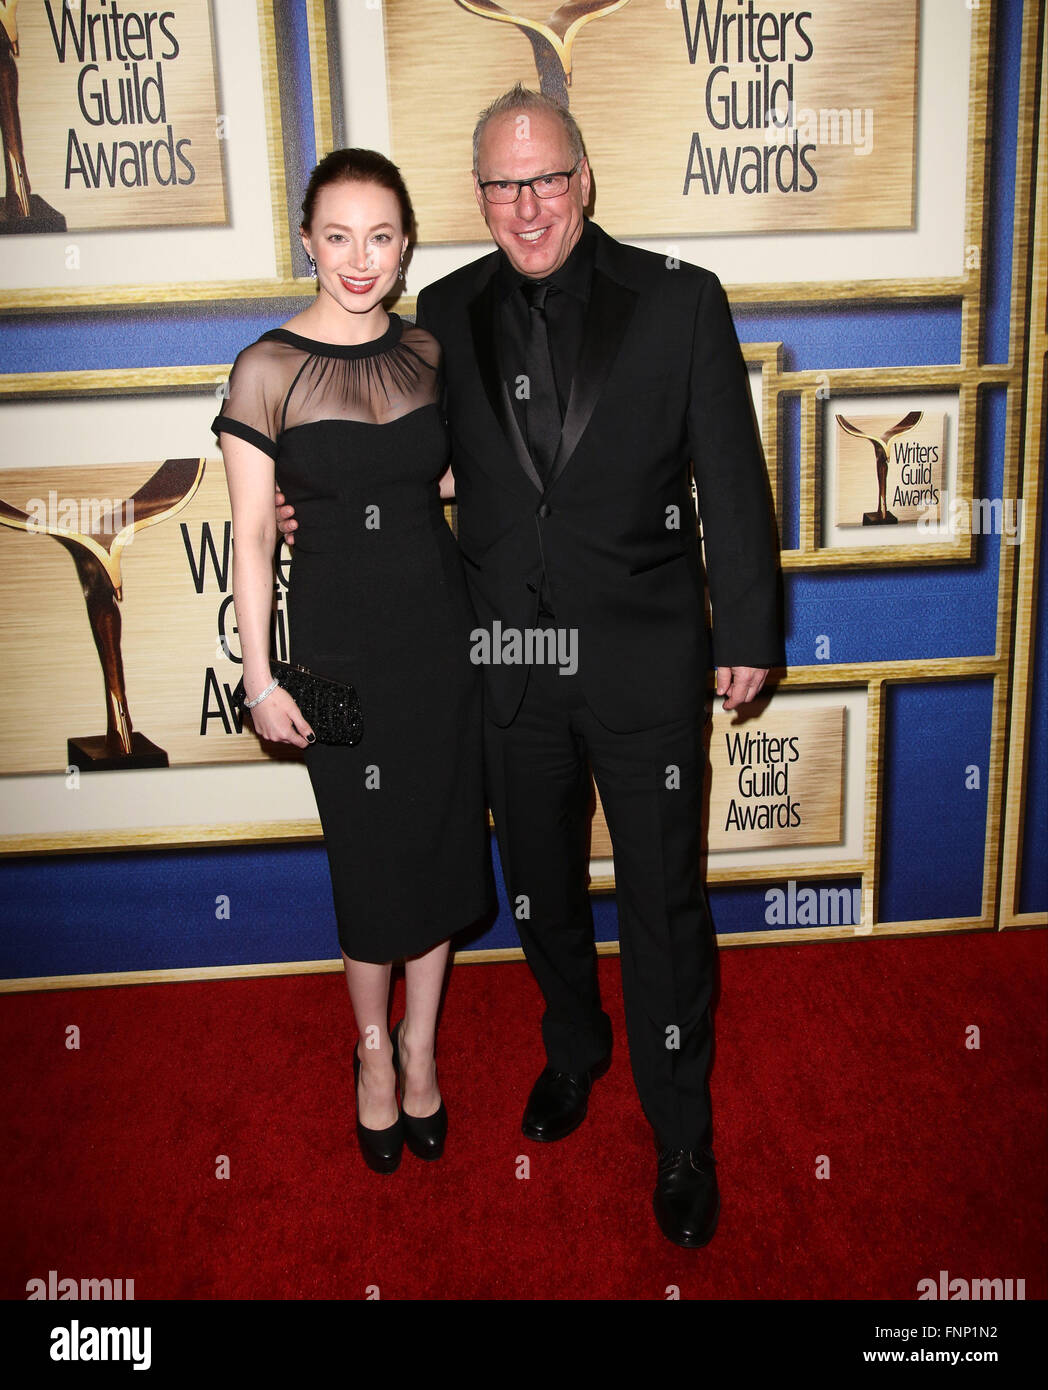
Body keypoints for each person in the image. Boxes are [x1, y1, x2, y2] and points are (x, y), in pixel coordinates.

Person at [278, 87, 784, 1247]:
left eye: (547, 177)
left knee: (662, 905)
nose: (528, 204)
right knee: (542, 893)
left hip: (648, 660)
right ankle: (572, 1051)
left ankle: (680, 1131)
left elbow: (731, 477)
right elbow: (406, 459)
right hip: (502, 659)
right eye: (504, 185)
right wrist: (320, 509)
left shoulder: (679, 300)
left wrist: (750, 629)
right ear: (478, 197)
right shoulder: (441, 316)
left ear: (585, 176)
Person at [213, 149, 494, 1176]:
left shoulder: (428, 352)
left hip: (440, 642)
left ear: (407, 242)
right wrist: (261, 675)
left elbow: (459, 478)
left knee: (440, 855)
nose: (360, 257)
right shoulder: (267, 368)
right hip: (334, 655)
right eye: (338, 235)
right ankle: (371, 1054)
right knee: (370, 869)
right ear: (306, 241)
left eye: (381, 235)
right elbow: (250, 535)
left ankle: (422, 1046)